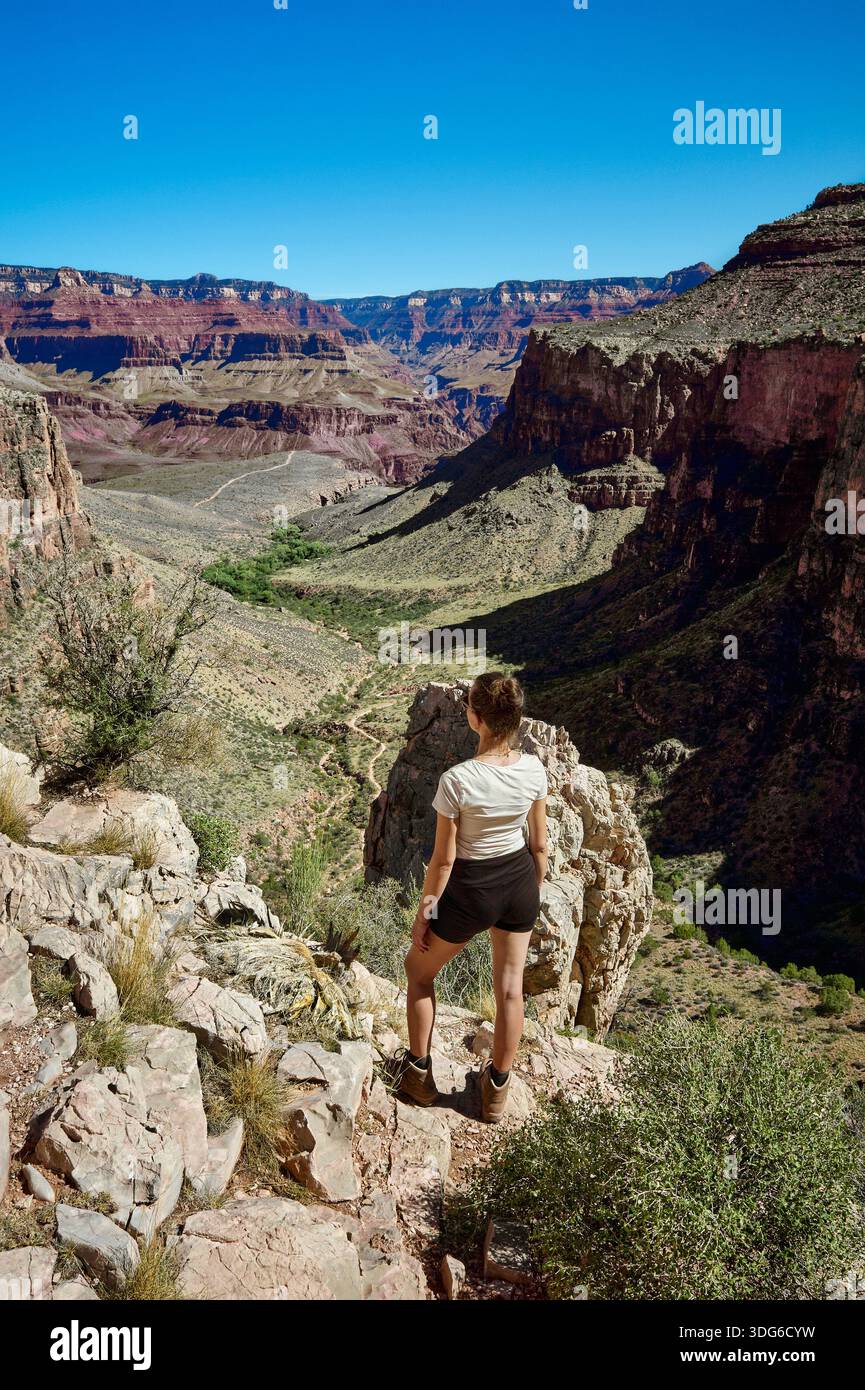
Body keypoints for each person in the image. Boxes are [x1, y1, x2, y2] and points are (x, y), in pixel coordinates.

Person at [394, 672, 548, 1122]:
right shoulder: (533, 769)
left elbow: (443, 862)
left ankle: (419, 1077)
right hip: (519, 882)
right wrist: (529, 891)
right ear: (517, 720)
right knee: (509, 990)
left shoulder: (457, 780)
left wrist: (425, 914)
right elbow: (539, 844)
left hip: (471, 889)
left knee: (418, 972)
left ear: (474, 718)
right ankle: (496, 1090)